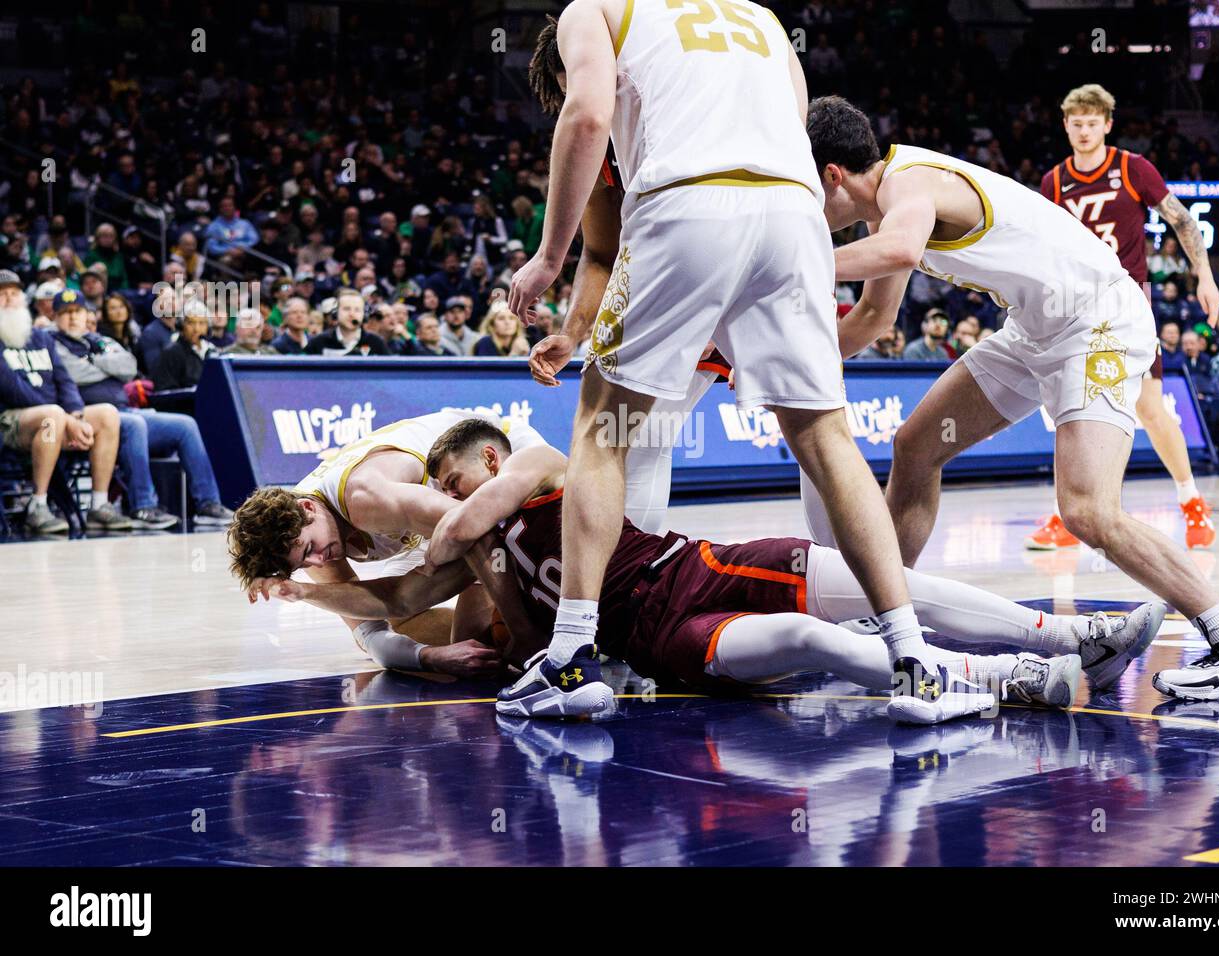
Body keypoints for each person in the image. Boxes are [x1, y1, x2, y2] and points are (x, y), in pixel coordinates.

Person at [503, 4, 993, 724]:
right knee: (827, 439)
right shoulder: (760, 17)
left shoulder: (596, 10)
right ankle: (913, 659)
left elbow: (582, 118)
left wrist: (548, 257)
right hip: (792, 216)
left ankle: (571, 658)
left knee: (603, 431)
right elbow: (791, 125)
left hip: (687, 201)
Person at [808, 95, 1219, 701]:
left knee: (1087, 512)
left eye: (806, 194)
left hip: (1097, 322)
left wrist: (795, 263)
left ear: (832, 175)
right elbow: (874, 319)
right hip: (1034, 330)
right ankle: (888, 613)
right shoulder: (887, 216)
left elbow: (900, 252)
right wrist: (773, 361)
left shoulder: (911, 184)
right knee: (916, 445)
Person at [252, 419, 1165, 723]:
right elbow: (408, 595)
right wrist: (306, 591)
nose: (447, 508)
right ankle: (1010, 678)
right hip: (665, 638)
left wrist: (461, 534)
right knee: (815, 641)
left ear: (484, 468)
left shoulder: (532, 467)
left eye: (455, 487)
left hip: (700, 569)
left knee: (883, 584)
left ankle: (1069, 633)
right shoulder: (483, 564)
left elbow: (473, 514)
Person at [227, 411, 551, 677]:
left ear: (307, 508)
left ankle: (559, 625)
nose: (316, 562)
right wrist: (433, 657)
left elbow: (481, 530)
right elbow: (372, 635)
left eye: (309, 549)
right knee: (416, 624)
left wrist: (524, 635)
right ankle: (514, 628)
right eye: (301, 565)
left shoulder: (366, 497)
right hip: (448, 512)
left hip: (489, 454)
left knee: (511, 548)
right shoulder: (311, 539)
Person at [1039, 84, 1218, 550]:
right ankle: (1068, 515)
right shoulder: (1053, 181)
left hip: (1126, 303)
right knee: (1068, 410)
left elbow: (1182, 220)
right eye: (1076, 124)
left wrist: (1205, 277)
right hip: (1074, 306)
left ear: (1107, 124)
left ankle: (1192, 501)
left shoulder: (1131, 168)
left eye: (1091, 123)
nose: (1083, 131)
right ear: (1066, 125)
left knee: (1149, 408)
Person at [50, 289, 233, 529]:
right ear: (55, 317)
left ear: (87, 314)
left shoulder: (100, 340)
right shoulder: (52, 342)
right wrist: (106, 367)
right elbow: (73, 372)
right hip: (90, 417)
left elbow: (128, 366)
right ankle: (143, 506)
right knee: (134, 425)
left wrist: (94, 363)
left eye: (77, 312)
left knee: (185, 425)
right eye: (66, 313)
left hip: (126, 410)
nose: (73, 318)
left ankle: (208, 504)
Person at [0, 286, 132, 532]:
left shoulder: (40, 337)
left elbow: (65, 381)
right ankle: (37, 505)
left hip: (54, 416)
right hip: (11, 419)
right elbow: (11, 389)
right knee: (50, 417)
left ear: (22, 299)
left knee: (106, 414)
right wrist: (62, 416)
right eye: (2, 293)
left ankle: (99, 505)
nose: (9, 298)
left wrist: (76, 415)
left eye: (13, 293)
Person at [304, 289, 389, 356]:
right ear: (335, 313)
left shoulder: (376, 342)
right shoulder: (318, 342)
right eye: (346, 309)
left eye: (357, 310)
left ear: (364, 315)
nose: (352, 314)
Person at [153, 303, 216, 390]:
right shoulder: (171, 353)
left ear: (208, 328)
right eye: (191, 323)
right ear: (182, 325)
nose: (196, 329)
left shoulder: (212, 351)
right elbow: (166, 391)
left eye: (201, 323)